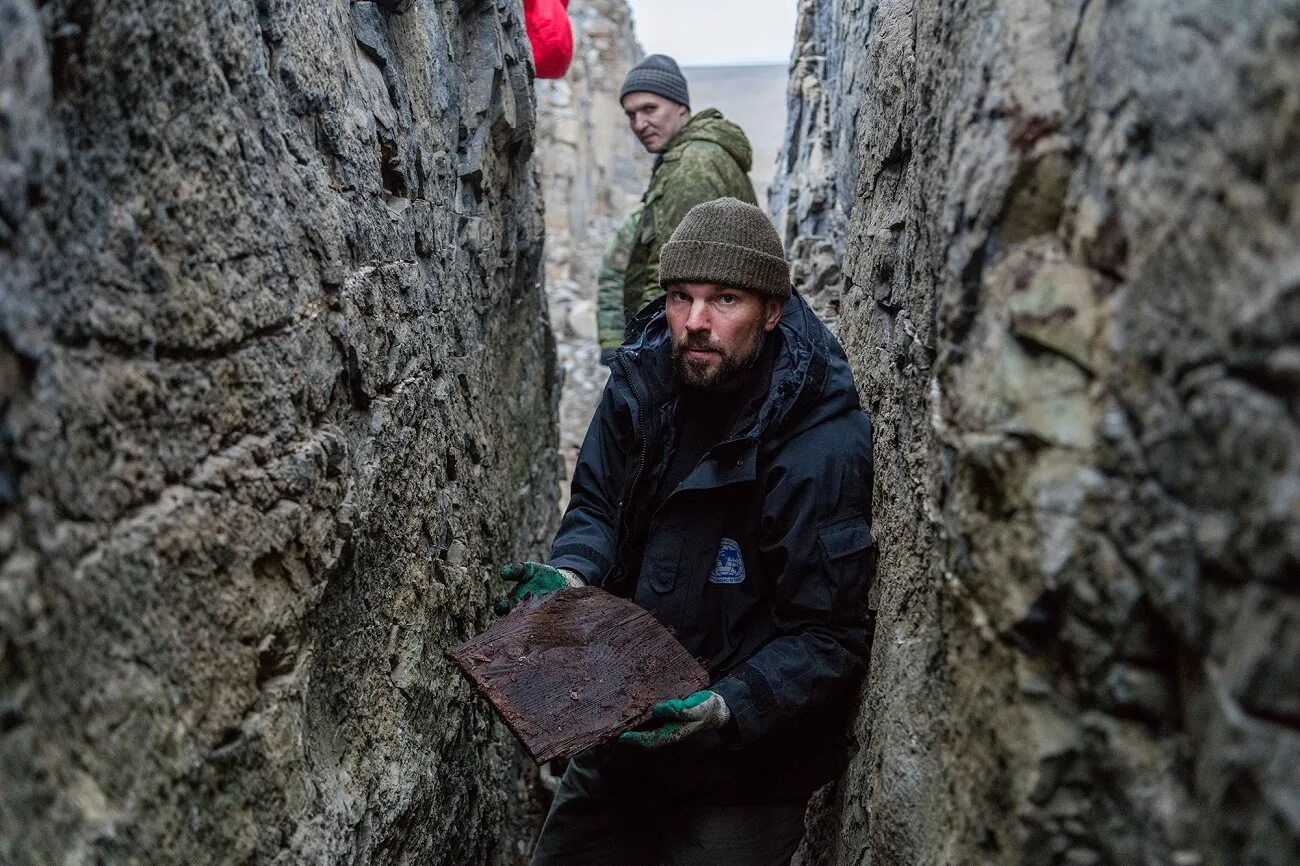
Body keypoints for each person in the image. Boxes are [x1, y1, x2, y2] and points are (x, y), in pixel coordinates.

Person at [500, 198, 876, 865]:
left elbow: (829, 632)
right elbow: (595, 506)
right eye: (680, 298)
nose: (695, 323)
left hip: (745, 772)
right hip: (621, 723)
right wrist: (570, 574)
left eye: (724, 299)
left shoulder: (818, 443)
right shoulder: (644, 380)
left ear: (772, 309)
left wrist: (725, 705)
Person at [596, 55, 759, 364]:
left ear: (681, 107)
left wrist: (647, 353)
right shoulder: (688, 156)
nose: (639, 124)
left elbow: (673, 272)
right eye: (631, 115)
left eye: (649, 109)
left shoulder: (693, 165)